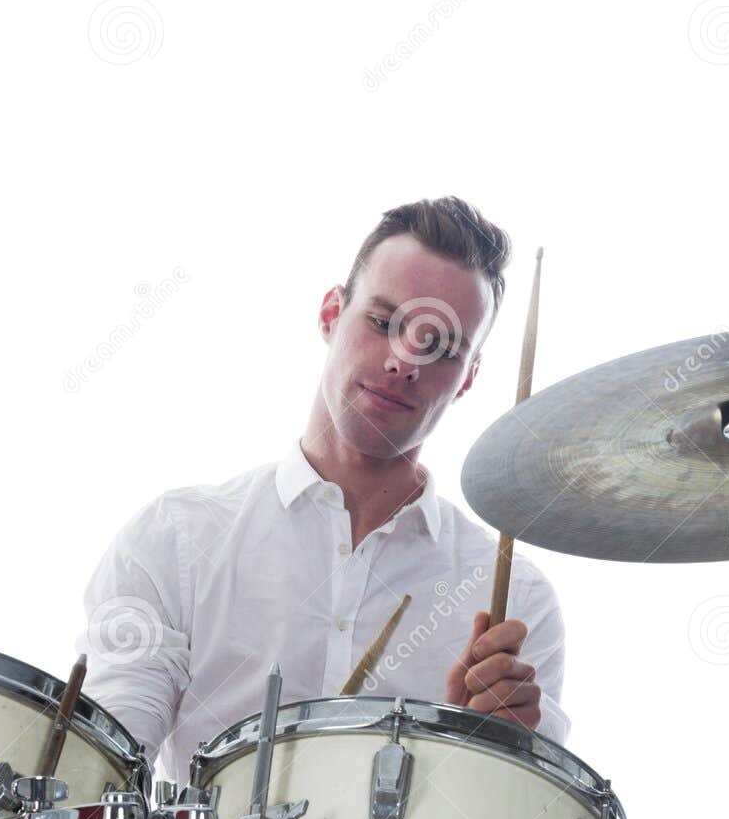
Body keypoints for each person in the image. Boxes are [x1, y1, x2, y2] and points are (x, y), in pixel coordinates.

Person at [75, 196, 566, 787]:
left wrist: (490, 747)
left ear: (470, 377)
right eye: (384, 323)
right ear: (332, 312)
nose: (403, 362)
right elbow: (104, 767)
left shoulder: (515, 600)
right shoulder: (175, 539)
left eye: (439, 347)